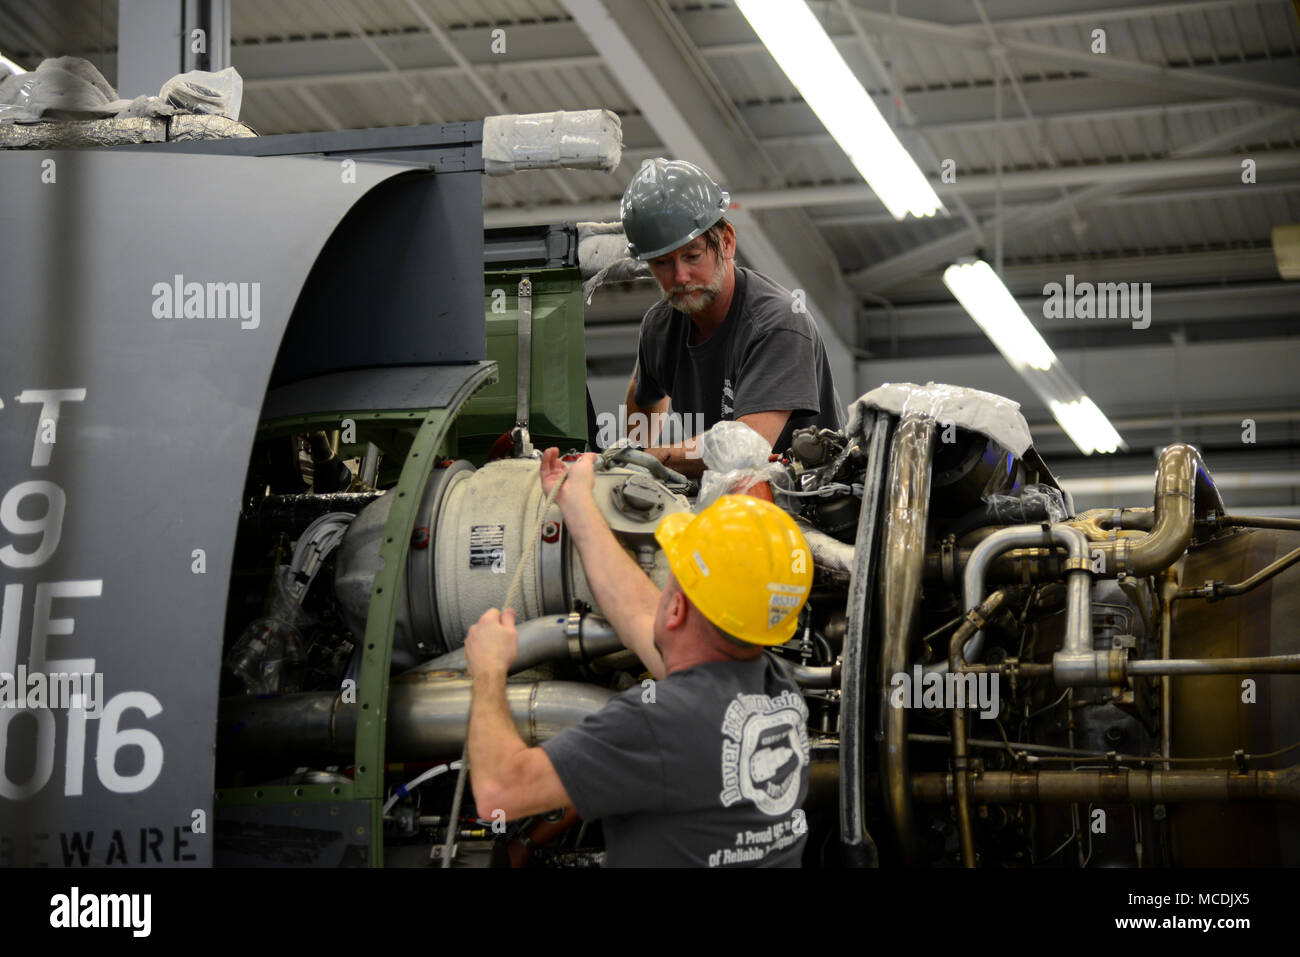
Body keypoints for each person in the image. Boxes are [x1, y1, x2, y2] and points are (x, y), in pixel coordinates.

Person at [464, 447, 814, 867]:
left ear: (678, 609)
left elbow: (499, 792)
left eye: (670, 579)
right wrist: (577, 503)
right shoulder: (776, 688)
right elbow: (638, 613)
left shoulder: (658, 724)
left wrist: (488, 670)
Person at [618, 157, 844, 477]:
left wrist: (638, 459)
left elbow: (744, 448)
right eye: (663, 263)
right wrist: (626, 467)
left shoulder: (777, 324)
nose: (680, 276)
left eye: (692, 256)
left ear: (726, 242)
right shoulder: (659, 328)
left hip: (805, 506)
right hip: (725, 498)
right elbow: (644, 392)